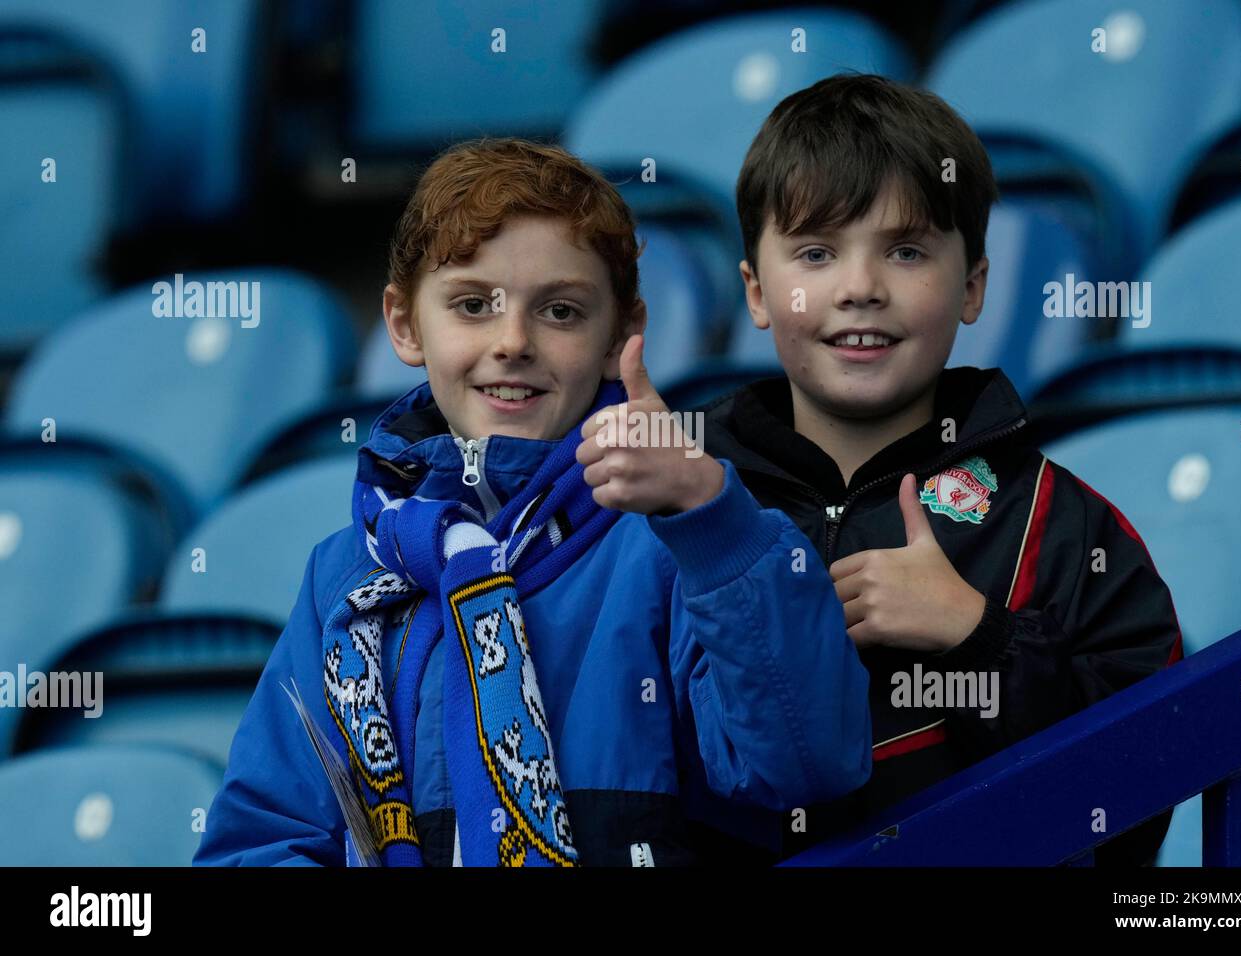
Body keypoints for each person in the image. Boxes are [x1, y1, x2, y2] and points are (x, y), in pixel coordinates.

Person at [193, 137, 871, 867]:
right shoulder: (342, 578)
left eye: (560, 311)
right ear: (404, 325)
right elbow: (261, 841)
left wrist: (712, 520)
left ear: (623, 334)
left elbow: (805, 768)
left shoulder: (687, 538)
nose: (513, 341)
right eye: (473, 304)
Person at [699, 73, 1184, 864]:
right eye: (816, 252)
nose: (860, 288)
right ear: (756, 290)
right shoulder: (691, 510)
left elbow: (1142, 797)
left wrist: (980, 640)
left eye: (907, 250)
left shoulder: (1058, 523)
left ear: (973, 286)